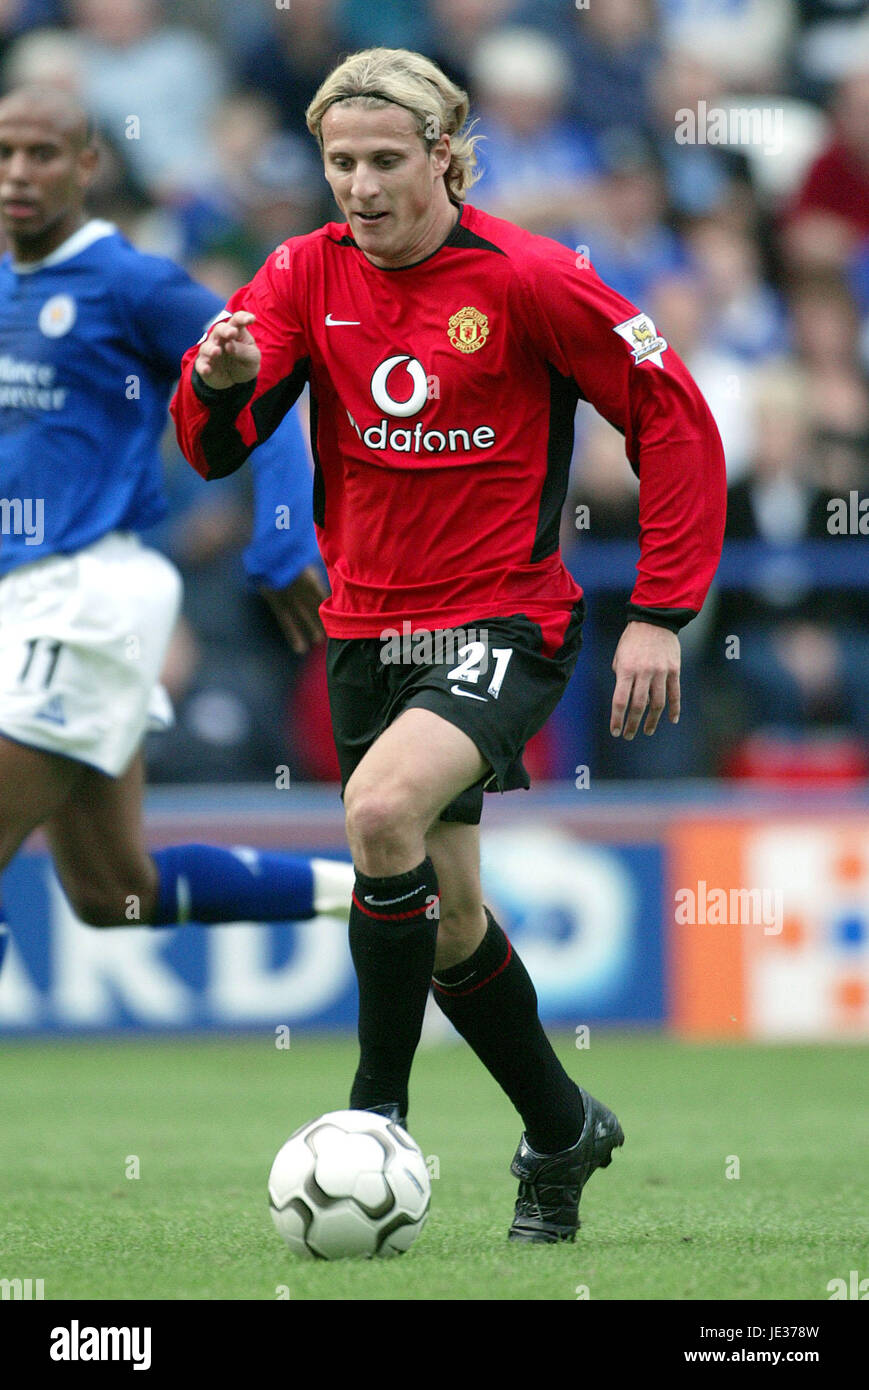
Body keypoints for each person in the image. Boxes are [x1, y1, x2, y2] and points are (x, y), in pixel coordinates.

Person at [172, 48, 727, 1243]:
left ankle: (375, 1115)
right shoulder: (298, 273)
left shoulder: (531, 276)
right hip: (365, 625)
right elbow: (213, 444)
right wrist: (216, 384)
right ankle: (561, 1125)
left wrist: (661, 612)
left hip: (501, 618)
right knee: (451, 916)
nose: (359, 187)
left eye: (384, 160)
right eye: (338, 163)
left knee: (379, 815)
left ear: (443, 155)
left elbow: (672, 418)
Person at [0, 85, 353, 985]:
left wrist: (280, 539)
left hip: (84, 593)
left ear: (87, 165)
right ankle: (385, 891)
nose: (17, 173)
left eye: (42, 153)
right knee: (115, 891)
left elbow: (266, 384)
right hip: (18, 601)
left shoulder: (131, 283)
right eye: (4, 153)